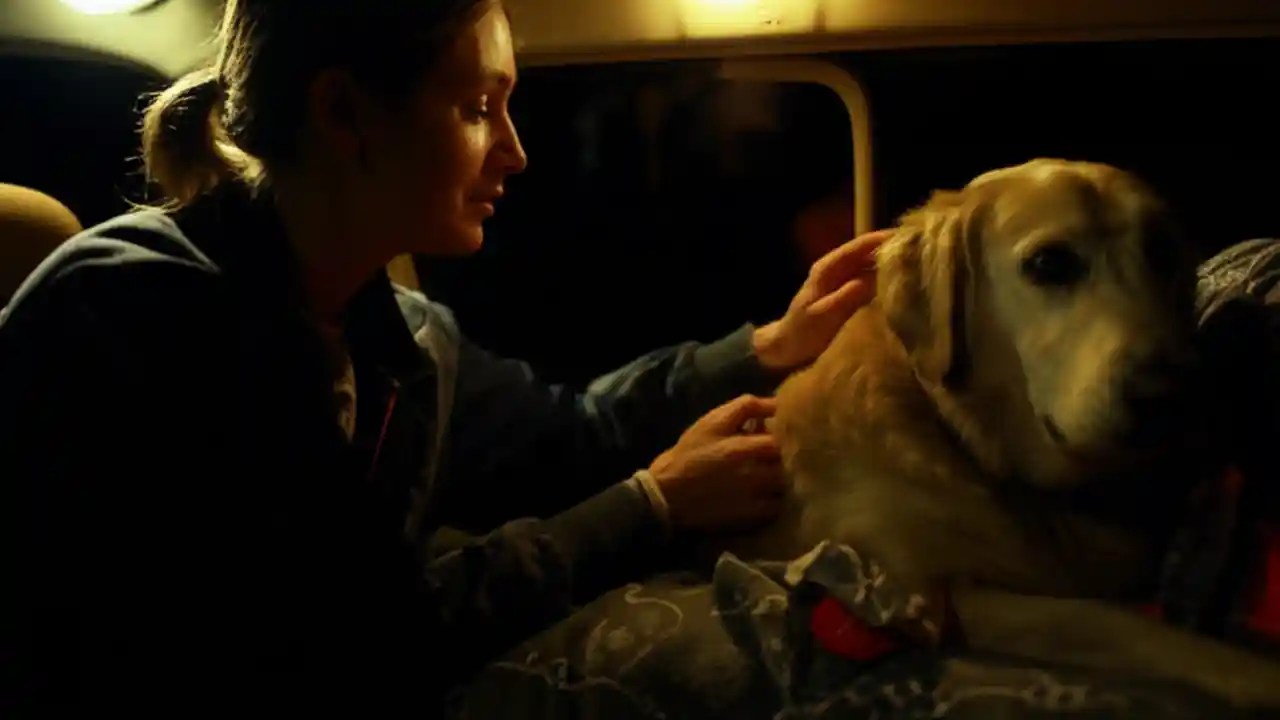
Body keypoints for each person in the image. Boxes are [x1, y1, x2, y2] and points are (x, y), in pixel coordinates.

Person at [0, 0, 886, 712]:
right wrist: (652, 507)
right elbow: (350, 639)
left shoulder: (407, 337)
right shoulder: (132, 311)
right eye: (477, 108)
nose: (515, 150)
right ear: (345, 113)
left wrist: (773, 344)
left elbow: (571, 432)